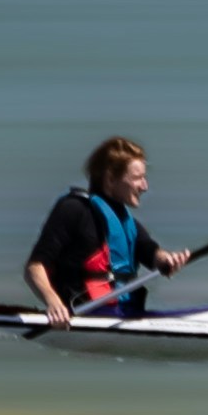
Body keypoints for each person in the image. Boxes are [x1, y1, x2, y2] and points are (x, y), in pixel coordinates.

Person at [24, 136, 187, 322]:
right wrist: (53, 302)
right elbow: (35, 267)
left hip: (124, 313)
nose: (145, 186)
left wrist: (169, 260)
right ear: (110, 179)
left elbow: (150, 251)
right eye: (137, 178)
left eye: (145, 177)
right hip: (81, 314)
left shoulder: (127, 222)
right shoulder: (73, 210)